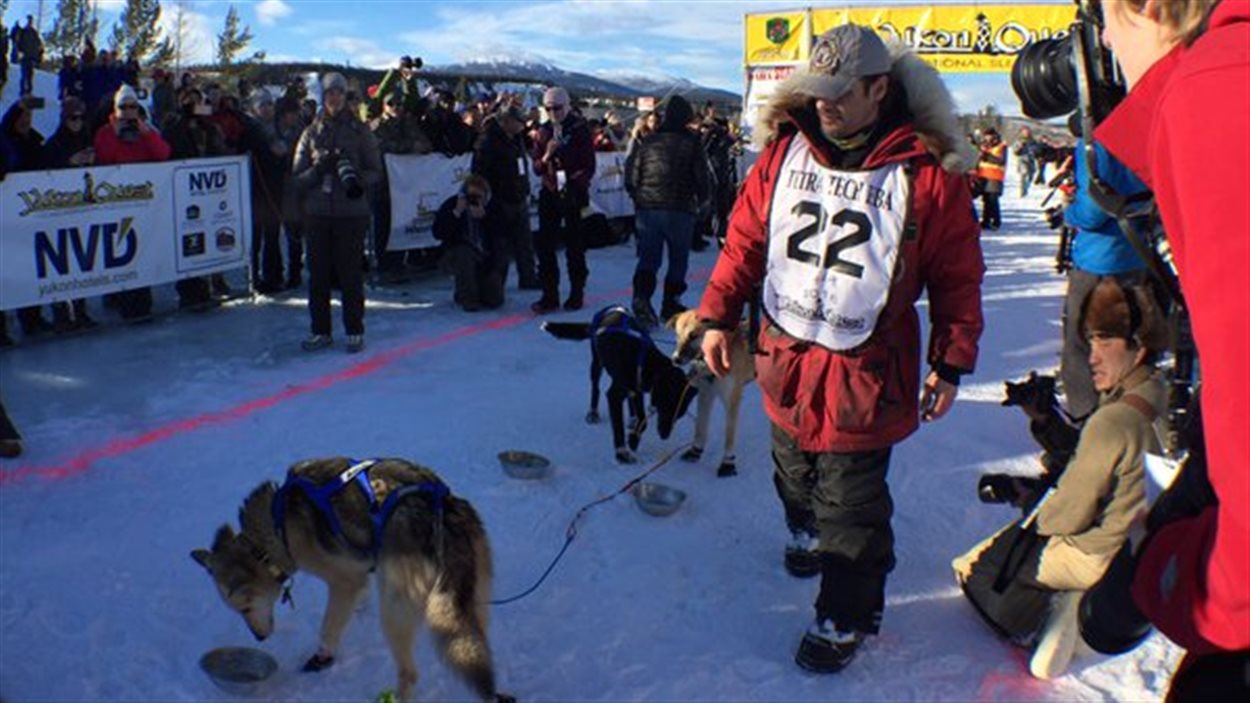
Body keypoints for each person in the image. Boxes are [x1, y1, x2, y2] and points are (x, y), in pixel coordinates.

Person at [697, 24, 984, 673]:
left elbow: (957, 277)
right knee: (793, 470)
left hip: (867, 370)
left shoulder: (926, 173)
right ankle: (805, 525)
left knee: (850, 502)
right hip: (785, 358)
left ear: (880, 89)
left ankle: (847, 609)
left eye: (841, 92)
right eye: (818, 89)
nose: (824, 102)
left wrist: (951, 358)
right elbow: (745, 240)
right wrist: (717, 313)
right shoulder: (785, 155)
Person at [1092, 0, 1249, 695]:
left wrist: (1179, 582)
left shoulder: (1215, 83)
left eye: (1104, 14)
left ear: (1148, 6)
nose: (1101, 38)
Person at [954, 279, 1168, 679]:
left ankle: (1065, 605)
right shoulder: (1153, 394)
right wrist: (1045, 422)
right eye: (1091, 342)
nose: (1092, 356)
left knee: (977, 568)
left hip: (1096, 552)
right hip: (1141, 548)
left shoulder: (1112, 420)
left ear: (1139, 348)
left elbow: (1065, 515)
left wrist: (1026, 499)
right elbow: (1093, 460)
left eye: (1106, 342)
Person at [291, 72, 382, 354]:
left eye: (339, 93)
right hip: (318, 212)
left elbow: (376, 171)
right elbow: (297, 177)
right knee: (317, 275)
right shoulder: (310, 132)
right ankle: (320, 330)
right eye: (330, 93)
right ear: (324, 97)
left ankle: (354, 329)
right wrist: (319, 170)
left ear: (345, 97)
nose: (335, 98)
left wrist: (353, 178)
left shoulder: (360, 130)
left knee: (350, 274)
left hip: (351, 213)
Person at [1058, 138, 1147, 420]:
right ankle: (1129, 422)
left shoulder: (1096, 141)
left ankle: (1087, 428)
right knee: (1131, 342)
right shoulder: (1145, 129)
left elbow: (1094, 210)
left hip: (1099, 261)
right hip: (1140, 254)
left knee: (1081, 345)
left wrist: (1069, 211)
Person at [624, 94, 710, 327]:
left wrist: (637, 197)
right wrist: (704, 201)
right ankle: (670, 303)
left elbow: (632, 172)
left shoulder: (649, 140)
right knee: (677, 260)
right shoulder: (692, 141)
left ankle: (641, 298)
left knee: (648, 259)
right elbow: (702, 176)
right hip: (679, 208)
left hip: (648, 209)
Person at [93, 84, 171, 322]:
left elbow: (163, 154)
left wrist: (146, 133)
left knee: (141, 251)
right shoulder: (106, 132)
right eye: (123, 107)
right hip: (116, 203)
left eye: (132, 107)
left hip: (143, 204)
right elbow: (103, 157)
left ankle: (142, 300)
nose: (128, 111)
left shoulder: (145, 129)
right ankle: (119, 298)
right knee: (119, 251)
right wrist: (116, 134)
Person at [530, 86, 595, 313]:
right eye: (548, 108)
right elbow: (536, 167)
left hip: (572, 193)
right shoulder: (543, 130)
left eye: (557, 108)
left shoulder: (579, 129)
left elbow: (589, 165)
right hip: (549, 192)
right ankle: (549, 294)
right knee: (545, 246)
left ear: (566, 106)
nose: (553, 112)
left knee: (574, 246)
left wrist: (574, 176)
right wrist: (547, 154)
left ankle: (576, 292)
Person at [41, 97, 98, 332]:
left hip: (81, 211)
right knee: (59, 264)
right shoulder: (54, 144)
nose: (78, 122)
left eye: (81, 118)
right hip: (59, 212)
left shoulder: (86, 140)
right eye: (73, 118)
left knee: (80, 263)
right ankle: (61, 315)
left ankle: (81, 310)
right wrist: (68, 162)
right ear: (65, 119)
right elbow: (44, 173)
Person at [472, 104, 539, 290]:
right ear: (506, 121)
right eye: (519, 121)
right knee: (498, 247)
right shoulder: (488, 141)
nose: (523, 125)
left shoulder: (516, 139)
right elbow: (478, 175)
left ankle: (528, 278)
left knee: (524, 243)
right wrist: (479, 201)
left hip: (518, 197)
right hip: (498, 201)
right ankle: (495, 286)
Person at [432, 175, 507, 311]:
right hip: (457, 254)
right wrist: (456, 213)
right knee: (464, 252)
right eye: (471, 196)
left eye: (479, 197)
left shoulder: (493, 207)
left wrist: (485, 218)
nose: (474, 201)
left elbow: (502, 233)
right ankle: (468, 298)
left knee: (495, 300)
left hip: (485, 256)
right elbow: (438, 233)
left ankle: (476, 289)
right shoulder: (452, 204)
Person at [976, 128, 1006, 230]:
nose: (987, 138)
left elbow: (1001, 161)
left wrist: (986, 155)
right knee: (986, 200)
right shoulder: (983, 145)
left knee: (993, 200)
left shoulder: (1001, 146)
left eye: (989, 136)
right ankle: (985, 221)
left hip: (995, 177)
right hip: (983, 176)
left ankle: (996, 221)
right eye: (986, 136)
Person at [14, 16, 41, 96]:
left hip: (32, 58)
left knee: (30, 77)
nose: (30, 23)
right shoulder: (22, 31)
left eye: (31, 21)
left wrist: (38, 57)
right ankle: (22, 92)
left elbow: (38, 45)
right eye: (29, 21)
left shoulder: (34, 33)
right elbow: (17, 42)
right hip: (25, 57)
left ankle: (29, 92)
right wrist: (19, 52)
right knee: (24, 75)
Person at [1013, 127, 1039, 198]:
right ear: (1022, 132)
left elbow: (1037, 150)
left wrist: (1035, 151)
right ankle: (1022, 191)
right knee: (1024, 174)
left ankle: (1026, 187)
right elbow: (1015, 152)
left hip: (1031, 160)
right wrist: (1020, 147)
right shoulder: (1018, 141)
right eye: (1025, 132)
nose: (1026, 133)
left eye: (1028, 132)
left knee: (1031, 175)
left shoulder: (1033, 141)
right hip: (1022, 160)